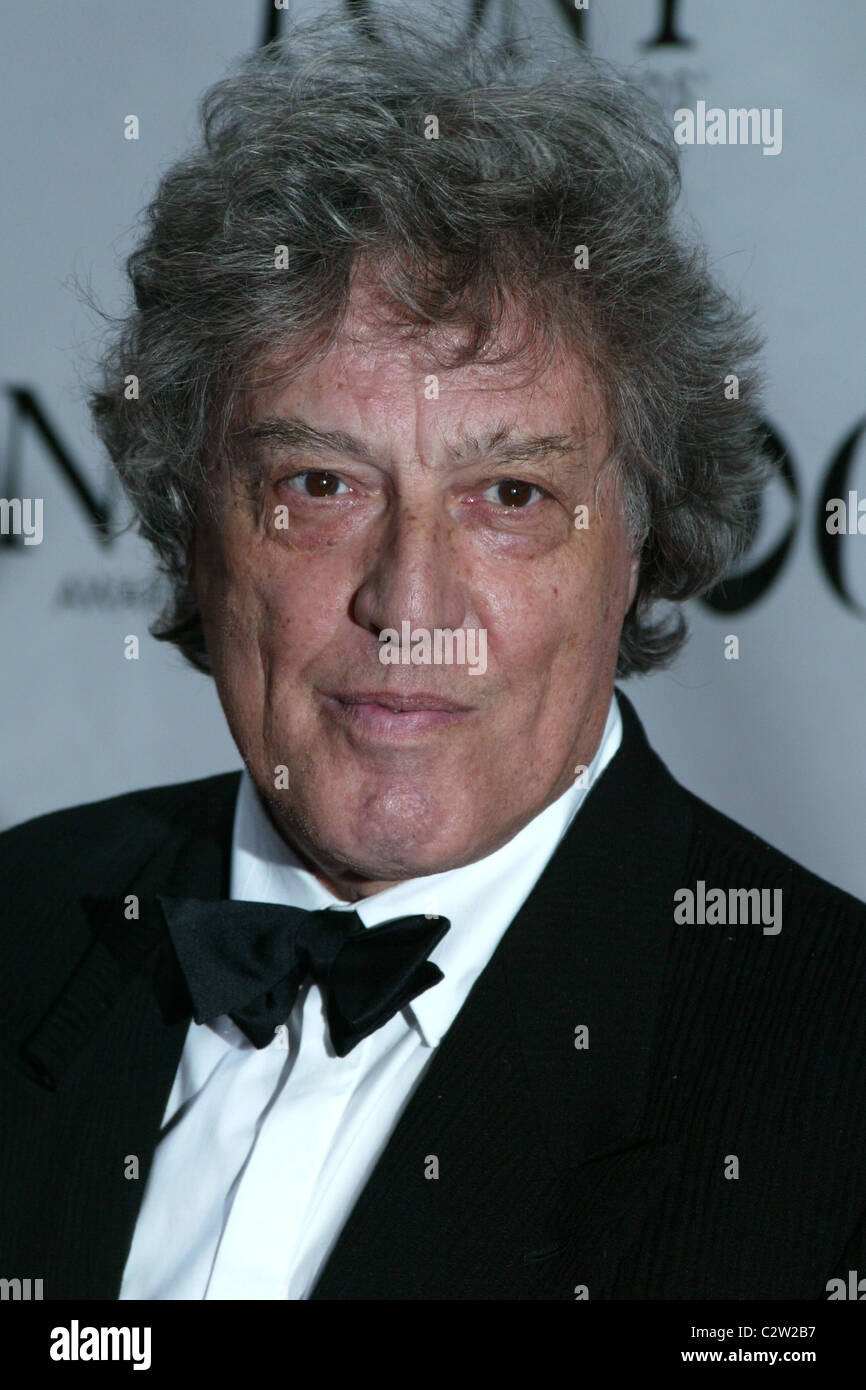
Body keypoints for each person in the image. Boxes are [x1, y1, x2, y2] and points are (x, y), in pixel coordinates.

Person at [2, 11, 865, 1302]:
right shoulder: (23, 913)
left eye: (508, 495)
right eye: (317, 482)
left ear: (642, 535)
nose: (409, 601)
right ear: (191, 529)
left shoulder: (829, 1065)